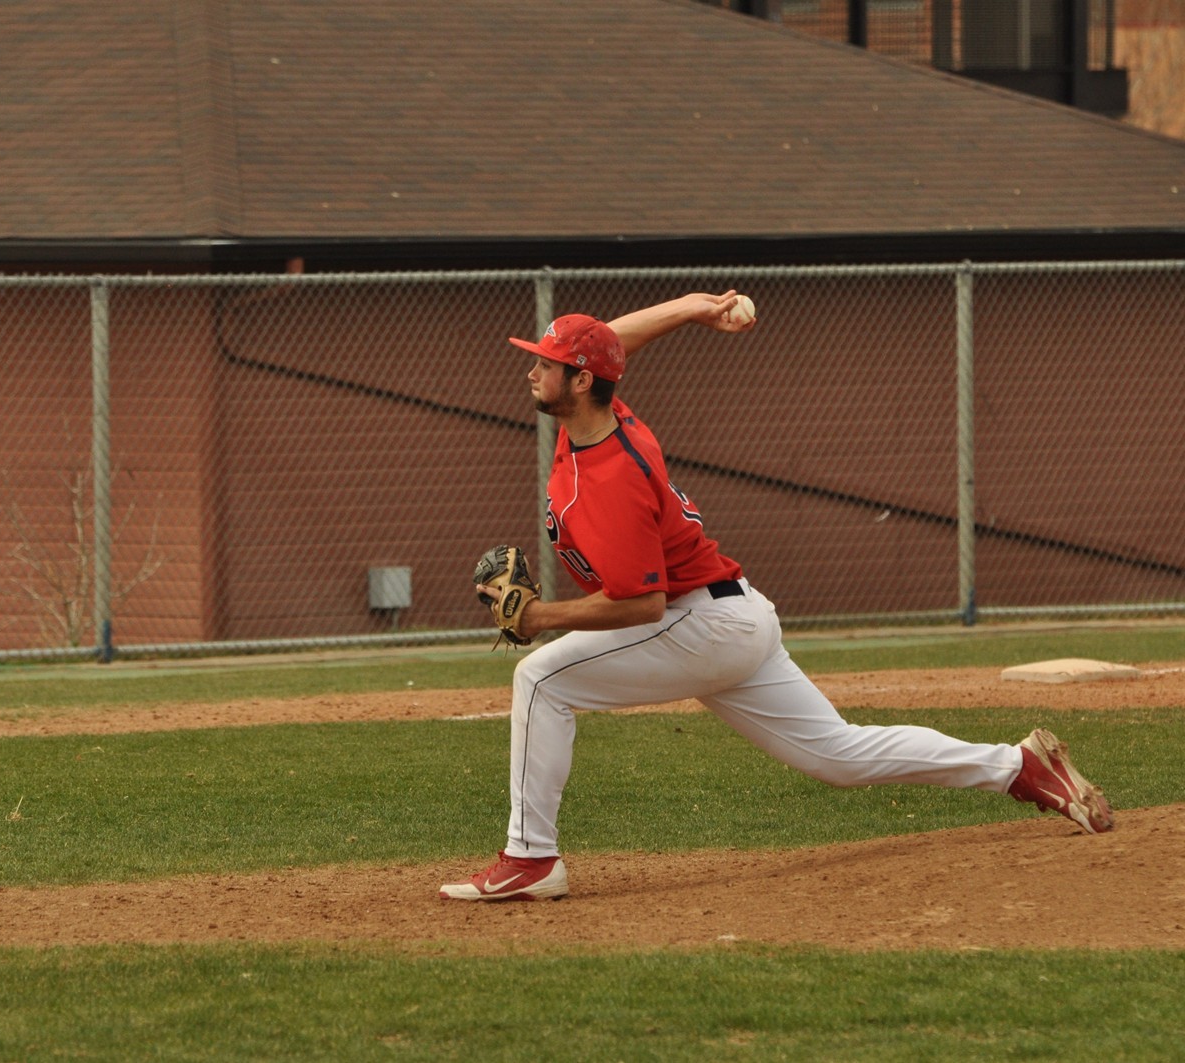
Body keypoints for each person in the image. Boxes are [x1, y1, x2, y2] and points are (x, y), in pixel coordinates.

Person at [439, 292, 1114, 902]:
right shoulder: (598, 416)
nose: (532, 369)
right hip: (731, 616)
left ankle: (530, 858)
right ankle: (1019, 766)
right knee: (839, 756)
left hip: (694, 622)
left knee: (541, 677)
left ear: (580, 382)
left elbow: (640, 605)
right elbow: (612, 340)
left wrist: (538, 618)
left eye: (546, 362)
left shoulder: (610, 475)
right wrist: (696, 306)